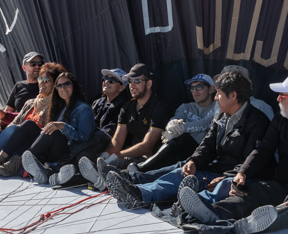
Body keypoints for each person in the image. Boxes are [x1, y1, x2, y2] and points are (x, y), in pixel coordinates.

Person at [178, 71, 288, 234]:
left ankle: (257, 224)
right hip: (283, 184)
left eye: (282, 96)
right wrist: (243, 173)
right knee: (251, 193)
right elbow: (263, 149)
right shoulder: (281, 119)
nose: (278, 99)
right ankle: (214, 212)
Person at [107, 69, 269, 209]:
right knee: (182, 171)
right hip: (216, 169)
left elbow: (252, 160)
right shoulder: (221, 116)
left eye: (218, 94)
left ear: (233, 95)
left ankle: (143, 192)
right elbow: (207, 145)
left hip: (235, 177)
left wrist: (227, 178)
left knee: (193, 178)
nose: (215, 98)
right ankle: (139, 191)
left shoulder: (257, 121)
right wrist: (194, 161)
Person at [78, 63, 172, 187]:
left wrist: (116, 156)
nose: (132, 85)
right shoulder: (127, 107)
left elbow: (147, 146)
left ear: (149, 84)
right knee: (101, 163)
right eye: (130, 81)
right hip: (133, 156)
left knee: (118, 165)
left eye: (137, 81)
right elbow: (117, 141)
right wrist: (105, 156)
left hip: (151, 160)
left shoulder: (159, 107)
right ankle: (97, 179)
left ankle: (102, 181)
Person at [0, 62, 66, 177]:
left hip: (42, 147)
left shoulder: (59, 105)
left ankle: (10, 163)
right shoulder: (30, 103)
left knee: (28, 125)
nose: (41, 83)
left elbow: (52, 133)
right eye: (40, 79)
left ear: (55, 84)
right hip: (20, 140)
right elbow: (15, 123)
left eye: (46, 80)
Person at [129, 73, 218, 174]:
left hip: (202, 153)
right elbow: (173, 120)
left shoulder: (218, 105)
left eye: (199, 86)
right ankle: (137, 173)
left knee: (182, 137)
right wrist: (171, 126)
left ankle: (141, 168)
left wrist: (183, 128)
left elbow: (208, 123)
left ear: (211, 89)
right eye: (192, 88)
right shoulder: (185, 107)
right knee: (172, 138)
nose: (195, 91)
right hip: (180, 152)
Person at [20, 71, 96, 184]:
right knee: (29, 125)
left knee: (55, 132)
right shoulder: (60, 107)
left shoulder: (83, 109)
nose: (63, 88)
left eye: (67, 84)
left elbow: (84, 137)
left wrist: (62, 126)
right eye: (59, 85)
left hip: (68, 153)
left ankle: (26, 164)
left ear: (74, 86)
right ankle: (16, 161)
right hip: (53, 149)